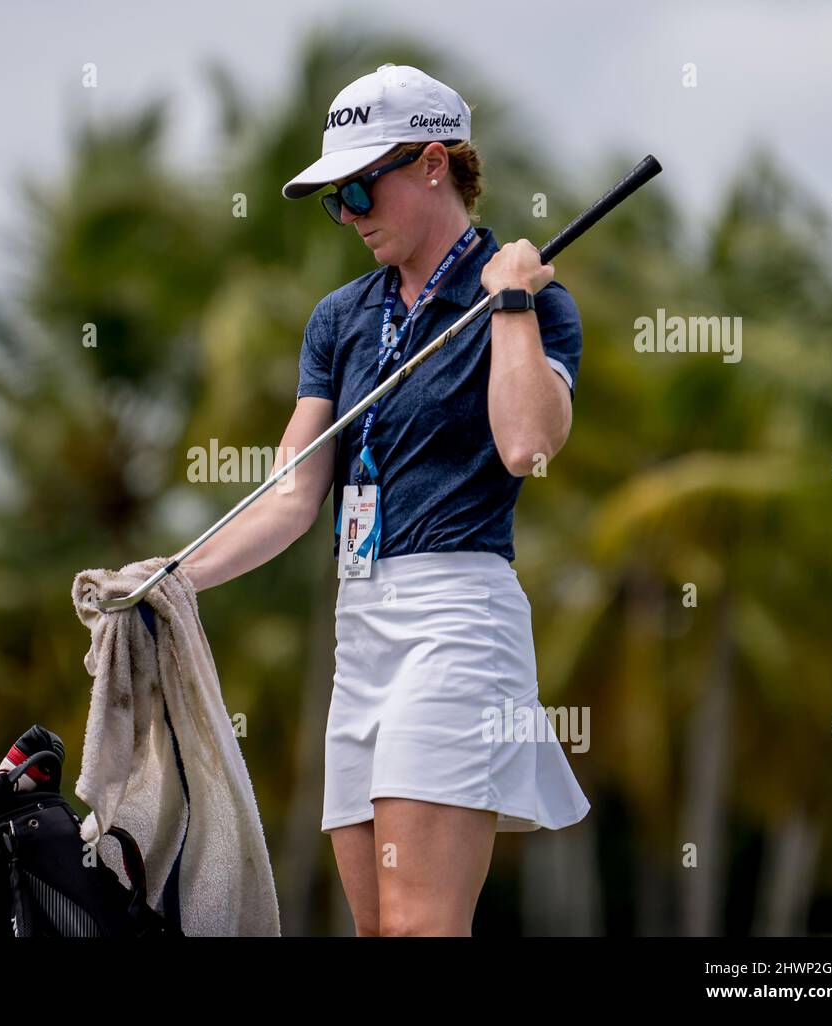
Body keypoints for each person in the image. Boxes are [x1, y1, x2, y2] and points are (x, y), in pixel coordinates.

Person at [173, 63, 590, 936]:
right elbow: (291, 501)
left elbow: (526, 444)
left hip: (457, 621)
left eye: (362, 188)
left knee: (419, 929)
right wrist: (173, 578)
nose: (351, 215)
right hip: (360, 631)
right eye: (336, 200)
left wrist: (511, 301)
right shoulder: (338, 318)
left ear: (434, 164)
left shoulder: (533, 303)